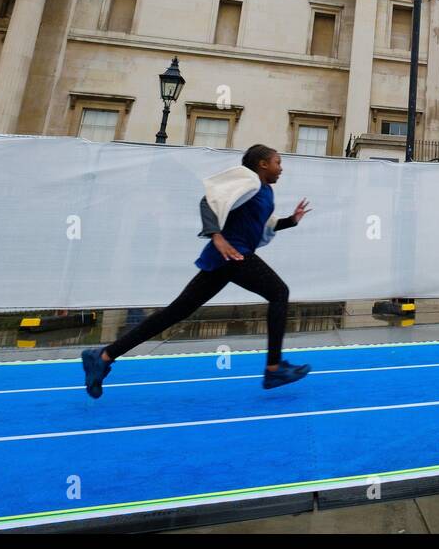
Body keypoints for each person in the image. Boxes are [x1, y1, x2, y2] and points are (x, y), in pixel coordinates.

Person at [81, 144, 312, 398]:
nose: (282, 168)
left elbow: (261, 224)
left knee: (175, 312)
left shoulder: (263, 191)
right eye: (278, 162)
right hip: (232, 255)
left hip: (226, 259)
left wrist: (291, 220)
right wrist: (216, 236)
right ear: (262, 164)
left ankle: (103, 356)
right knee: (279, 292)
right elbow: (209, 200)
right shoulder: (248, 179)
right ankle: (274, 367)